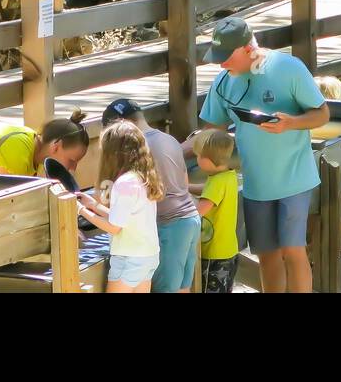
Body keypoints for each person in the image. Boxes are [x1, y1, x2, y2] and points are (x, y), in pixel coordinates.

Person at [199, 16, 329, 294]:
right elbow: (212, 131)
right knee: (267, 254)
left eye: (226, 57)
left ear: (248, 49)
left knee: (293, 250)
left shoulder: (289, 68)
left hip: (294, 179)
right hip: (257, 183)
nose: (221, 64)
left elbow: (322, 114)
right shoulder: (223, 82)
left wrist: (291, 123)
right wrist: (172, 148)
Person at [101, 98, 200, 294]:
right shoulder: (169, 139)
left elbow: (129, 196)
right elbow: (184, 183)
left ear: (120, 126)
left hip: (168, 227)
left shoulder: (139, 148)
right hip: (190, 220)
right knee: (182, 288)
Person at [76, 121, 163, 293]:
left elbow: (114, 227)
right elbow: (123, 219)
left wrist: (80, 210)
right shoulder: (141, 177)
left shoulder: (123, 184)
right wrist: (93, 205)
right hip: (148, 255)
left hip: (129, 257)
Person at [192, 129, 240, 294]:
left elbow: (199, 211)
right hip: (229, 251)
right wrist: (186, 188)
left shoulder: (216, 183)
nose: (196, 159)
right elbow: (207, 190)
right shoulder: (228, 176)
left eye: (199, 156)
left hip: (214, 254)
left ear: (209, 159)